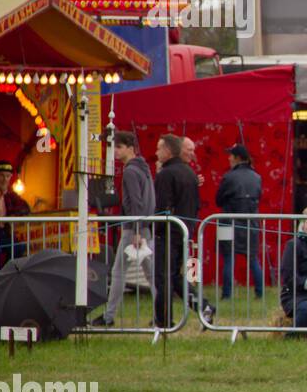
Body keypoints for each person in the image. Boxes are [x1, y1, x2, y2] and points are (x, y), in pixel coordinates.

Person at [94, 133, 156, 326]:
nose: (116, 151)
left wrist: (136, 229)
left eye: (119, 147)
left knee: (119, 272)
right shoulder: (144, 169)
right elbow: (149, 200)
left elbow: (135, 202)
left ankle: (108, 316)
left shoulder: (130, 171)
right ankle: (162, 314)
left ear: (130, 148)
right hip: (143, 226)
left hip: (134, 229)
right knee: (152, 274)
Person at [153, 133, 205, 327]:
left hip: (167, 233)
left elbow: (162, 206)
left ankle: (163, 321)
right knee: (175, 277)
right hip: (184, 231)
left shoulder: (166, 174)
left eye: (159, 148)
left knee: (164, 279)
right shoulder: (190, 173)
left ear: (167, 150)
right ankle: (203, 306)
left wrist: (156, 228)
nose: (156, 152)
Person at [215, 144, 264, 299]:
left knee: (228, 258)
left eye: (230, 155)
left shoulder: (229, 176)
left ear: (237, 158)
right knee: (253, 258)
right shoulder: (257, 177)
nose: (228, 158)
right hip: (251, 223)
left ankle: (227, 294)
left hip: (228, 221)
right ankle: (259, 293)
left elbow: (218, 200)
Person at [0, 159, 30, 270]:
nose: (5, 179)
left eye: (8, 176)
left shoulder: (10, 195)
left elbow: (26, 208)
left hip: (3, 233)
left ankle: (4, 275)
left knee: (19, 247)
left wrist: (14, 215)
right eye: (1, 176)